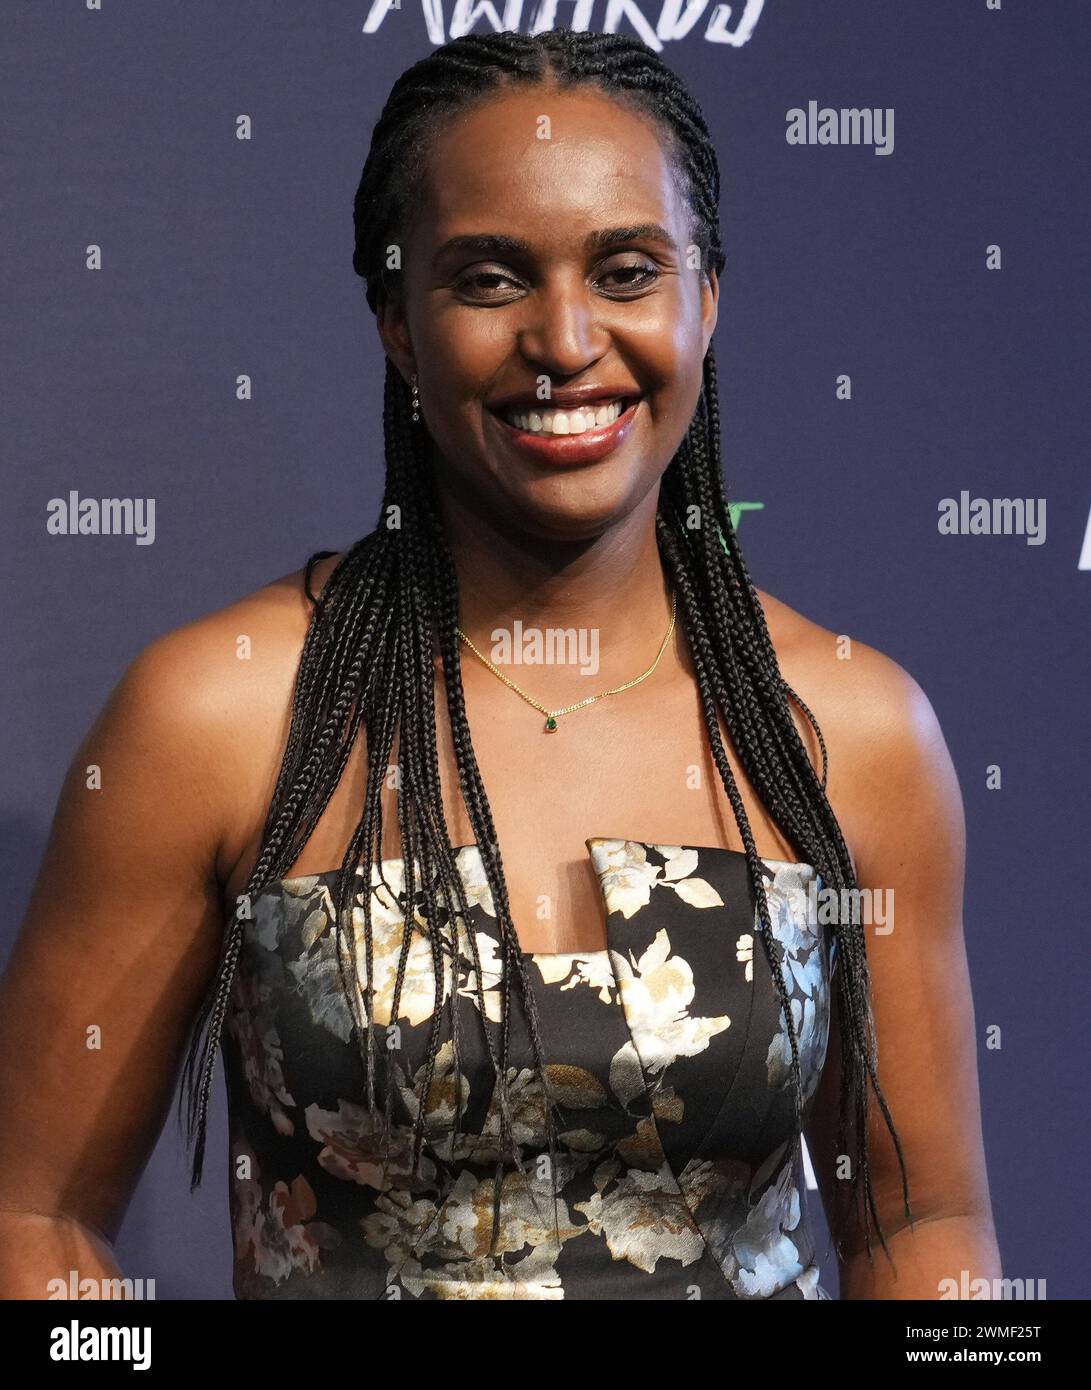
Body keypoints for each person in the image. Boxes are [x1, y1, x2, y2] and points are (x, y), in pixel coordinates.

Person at [0, 27, 1000, 1300]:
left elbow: (924, 1237)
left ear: (707, 300)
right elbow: (33, 1222)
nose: (565, 339)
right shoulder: (219, 713)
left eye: (628, 271)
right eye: (488, 279)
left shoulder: (848, 730)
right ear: (397, 323)